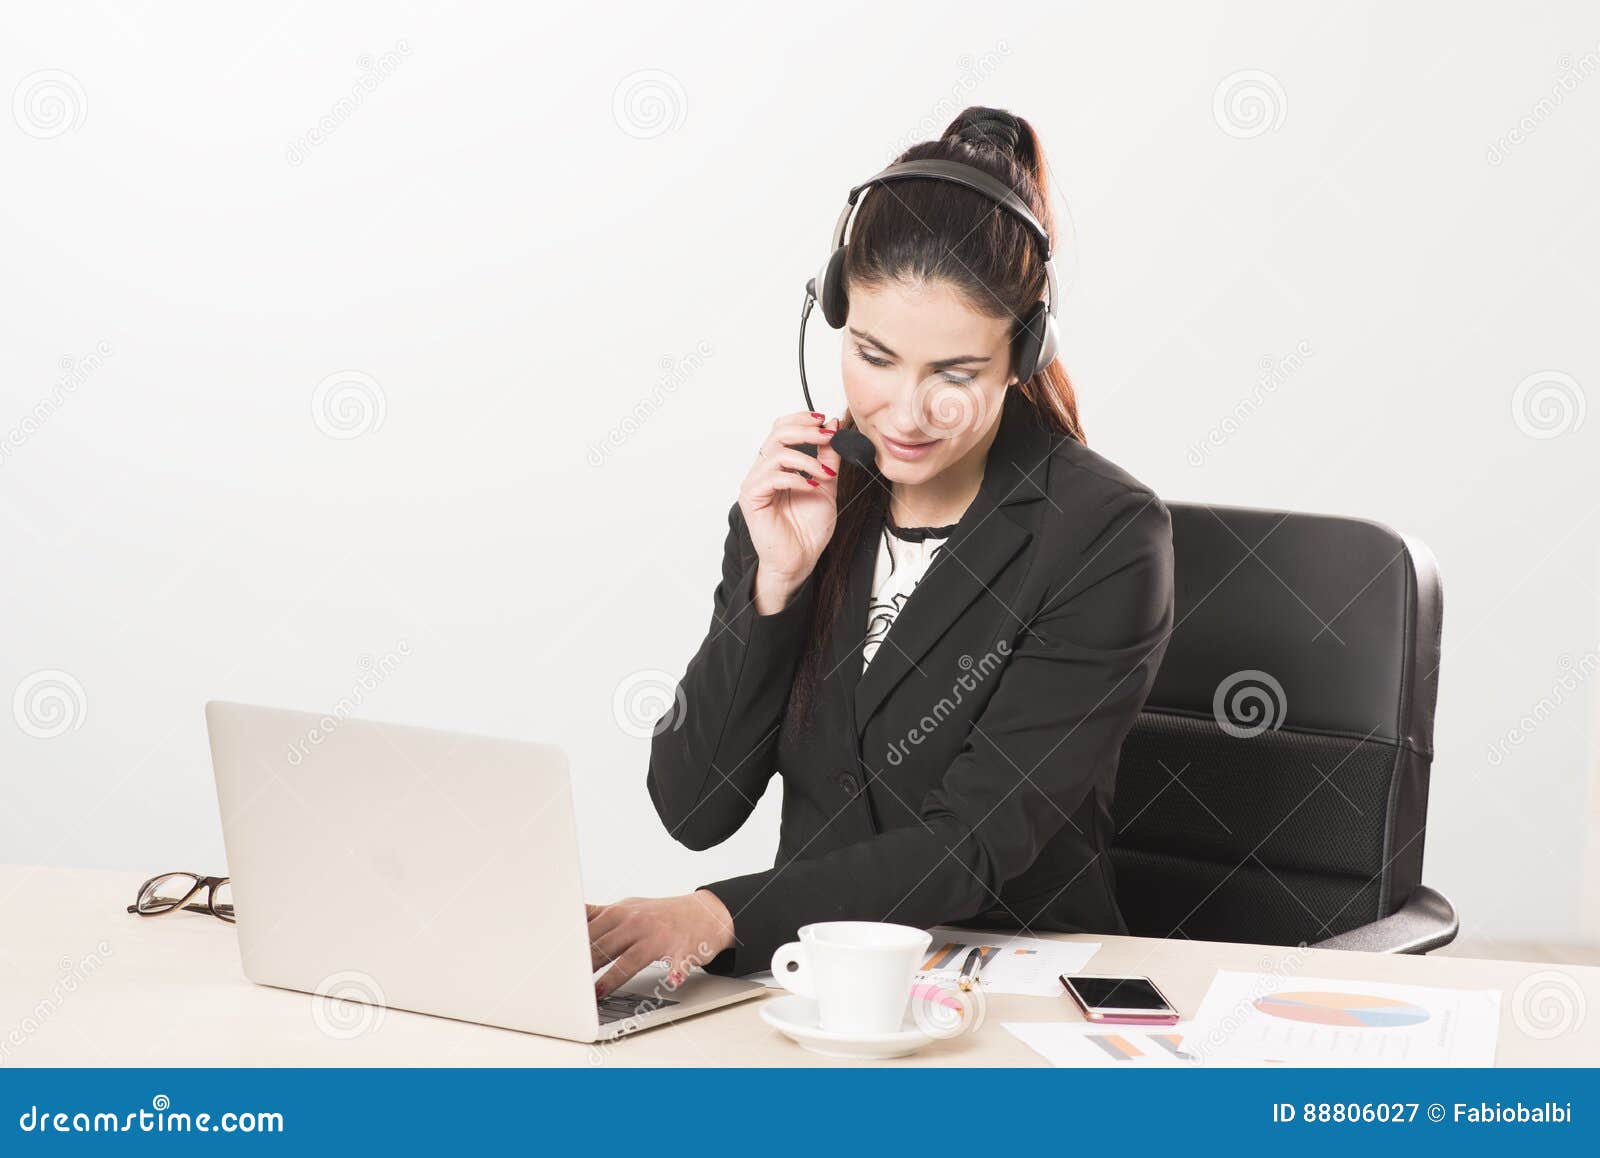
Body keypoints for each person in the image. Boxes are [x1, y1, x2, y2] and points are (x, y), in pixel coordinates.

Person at [587, 106, 1176, 998]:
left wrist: (719, 915)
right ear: (834, 314)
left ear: (1021, 355)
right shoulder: (809, 488)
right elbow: (694, 808)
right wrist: (776, 587)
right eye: (874, 356)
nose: (905, 413)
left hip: (1005, 994)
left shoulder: (1104, 536)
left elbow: (973, 844)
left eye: (955, 374)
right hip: (810, 992)